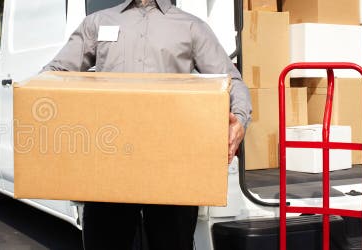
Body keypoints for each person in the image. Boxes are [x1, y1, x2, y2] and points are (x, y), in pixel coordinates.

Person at [42, 0, 252, 249]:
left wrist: (238, 119)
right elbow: (54, 73)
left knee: (172, 243)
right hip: (110, 163)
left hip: (173, 165)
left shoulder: (191, 27)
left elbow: (231, 80)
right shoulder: (97, 23)